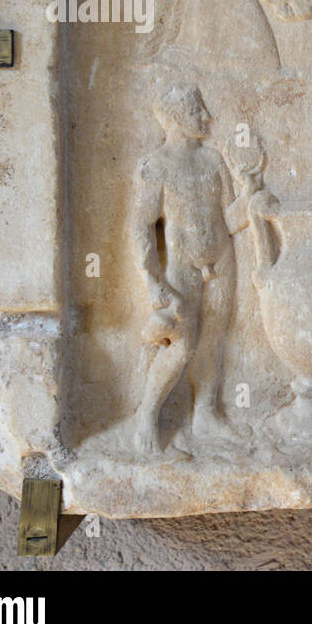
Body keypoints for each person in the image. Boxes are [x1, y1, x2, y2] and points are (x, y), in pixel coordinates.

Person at [130, 83, 249, 454]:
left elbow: (230, 219)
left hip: (222, 260)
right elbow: (141, 224)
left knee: (213, 340)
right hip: (182, 267)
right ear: (179, 119)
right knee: (181, 345)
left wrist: (252, 194)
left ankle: (206, 413)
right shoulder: (156, 166)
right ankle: (146, 415)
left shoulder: (213, 161)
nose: (207, 118)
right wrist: (150, 277)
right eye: (199, 111)